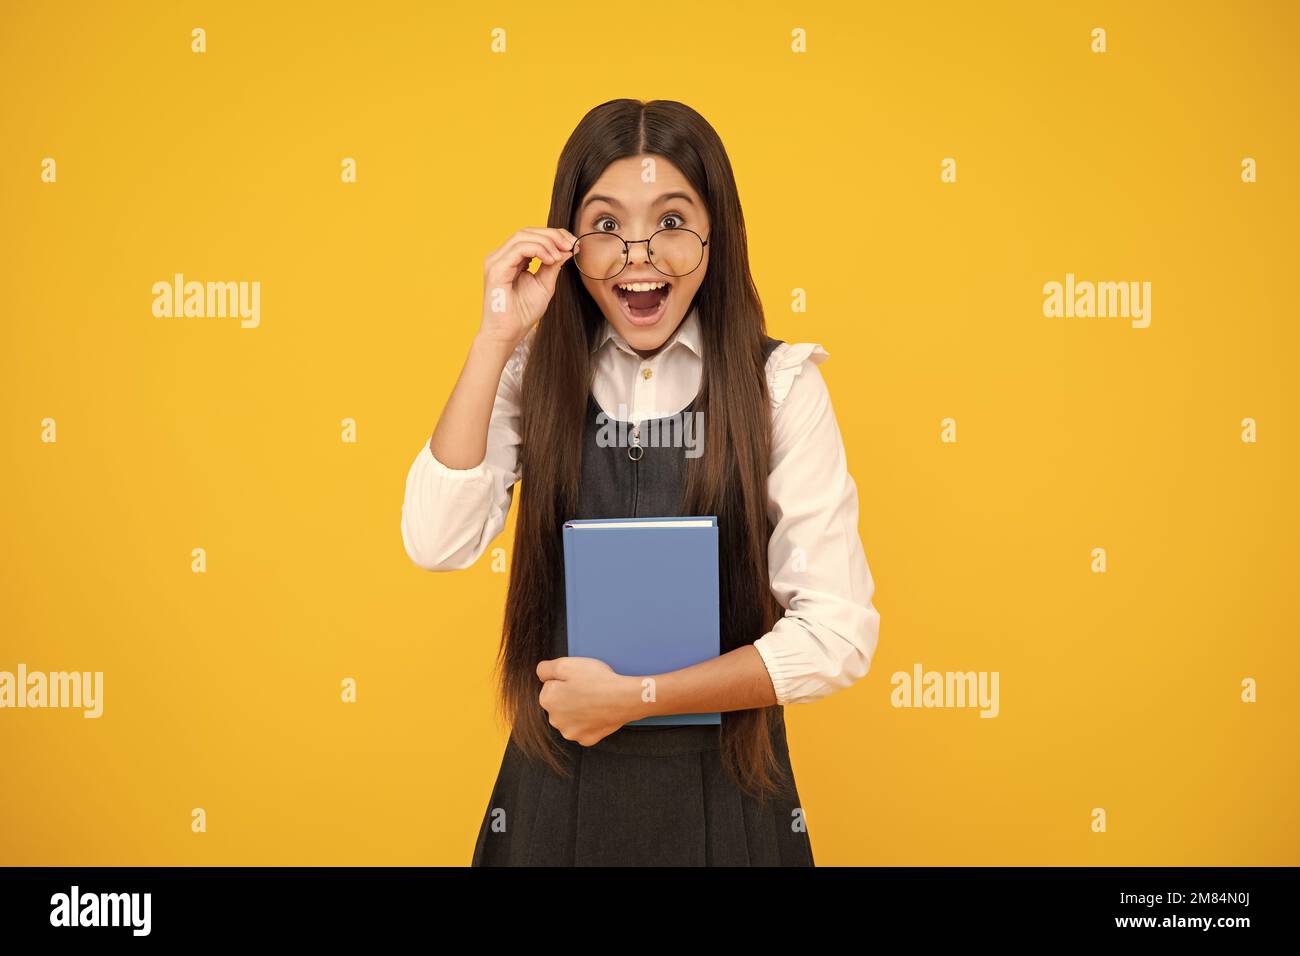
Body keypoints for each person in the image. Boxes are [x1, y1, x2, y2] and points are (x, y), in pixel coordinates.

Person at [401, 98, 881, 866]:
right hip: (552, 803)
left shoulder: (780, 386)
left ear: (714, 236)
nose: (638, 255)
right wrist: (497, 338)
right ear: (568, 242)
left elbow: (836, 637)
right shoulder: (531, 376)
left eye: (670, 222)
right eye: (604, 225)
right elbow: (436, 542)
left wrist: (641, 698)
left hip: (729, 806)